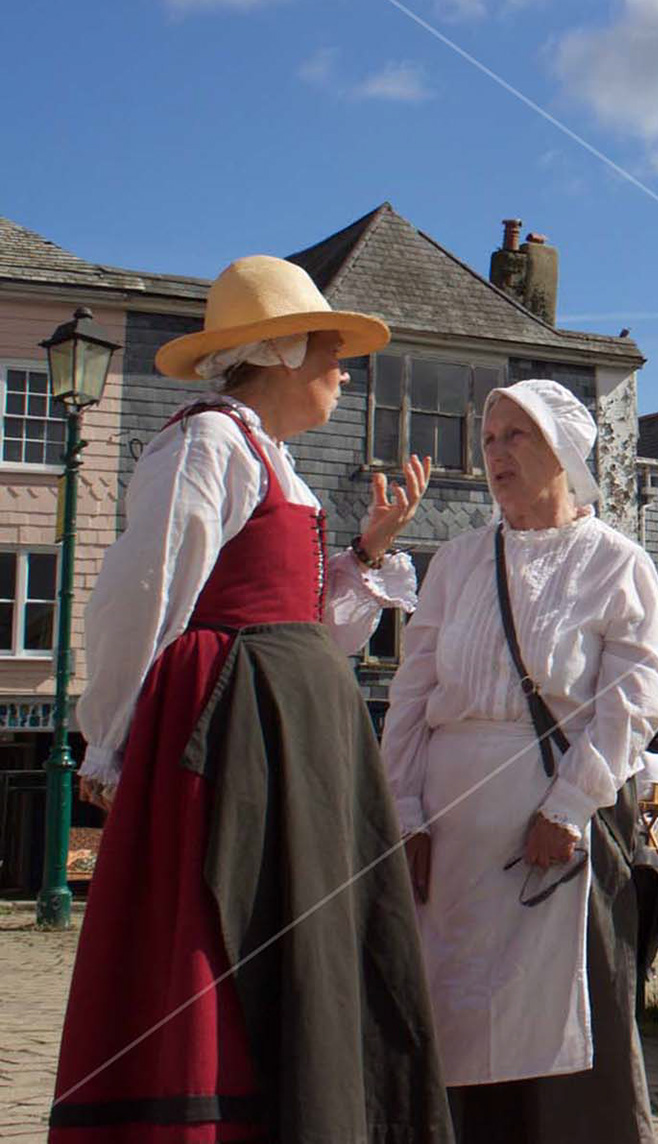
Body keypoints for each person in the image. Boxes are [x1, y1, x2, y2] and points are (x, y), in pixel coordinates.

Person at [51, 255, 451, 1141]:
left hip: (295, 738)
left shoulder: (276, 462)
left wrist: (368, 554)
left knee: (302, 938)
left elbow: (312, 627)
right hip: (229, 734)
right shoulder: (208, 444)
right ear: (280, 351)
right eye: (331, 353)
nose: (345, 373)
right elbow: (144, 593)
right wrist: (109, 739)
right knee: (222, 923)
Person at [381, 379, 658, 1144]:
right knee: (451, 1019)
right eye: (489, 438)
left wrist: (568, 807)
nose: (496, 454)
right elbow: (411, 696)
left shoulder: (617, 563)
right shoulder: (456, 562)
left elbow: (635, 698)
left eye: (517, 436)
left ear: (563, 450)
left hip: (555, 832)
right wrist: (404, 814)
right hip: (447, 839)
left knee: (560, 1024)